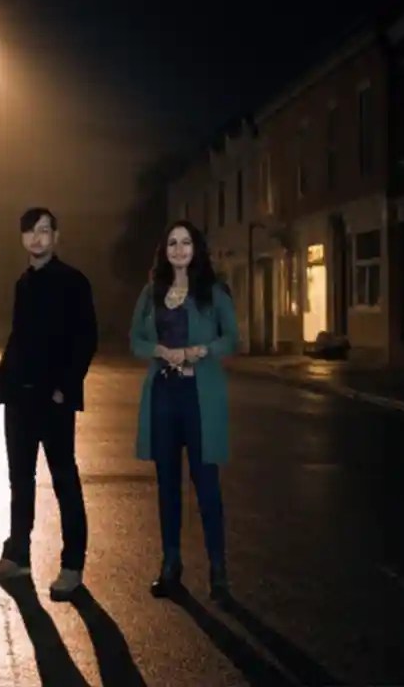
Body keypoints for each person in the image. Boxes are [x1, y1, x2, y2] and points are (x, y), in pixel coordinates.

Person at [0, 206, 98, 601]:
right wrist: (5, 386)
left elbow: (86, 340)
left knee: (64, 479)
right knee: (20, 481)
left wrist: (64, 388)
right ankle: (17, 557)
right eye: (31, 232)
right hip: (20, 399)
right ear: (23, 239)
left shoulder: (73, 281)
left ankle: (72, 566)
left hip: (55, 400)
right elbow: (21, 338)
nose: (38, 238)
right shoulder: (22, 284)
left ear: (56, 236)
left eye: (45, 230)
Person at [129, 220, 238, 604]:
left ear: (197, 248)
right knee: (167, 484)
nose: (179, 249)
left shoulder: (213, 291)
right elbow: (136, 339)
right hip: (164, 393)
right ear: (165, 250)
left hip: (199, 394)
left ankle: (218, 571)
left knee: (206, 484)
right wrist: (160, 350)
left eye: (186, 242)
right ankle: (170, 565)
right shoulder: (152, 292)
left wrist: (199, 350)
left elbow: (232, 338)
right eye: (172, 242)